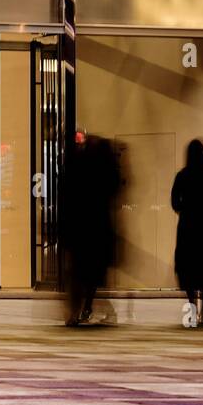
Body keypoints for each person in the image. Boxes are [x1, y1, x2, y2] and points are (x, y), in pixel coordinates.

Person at [64, 134, 120, 326]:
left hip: (80, 228)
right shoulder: (103, 173)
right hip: (96, 228)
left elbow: (67, 194)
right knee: (92, 272)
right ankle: (85, 306)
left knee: (80, 271)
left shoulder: (78, 166)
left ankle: (76, 310)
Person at [171, 139, 203, 327]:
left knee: (188, 267)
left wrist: (185, 208)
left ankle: (192, 308)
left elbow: (174, 202)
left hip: (188, 226)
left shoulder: (182, 176)